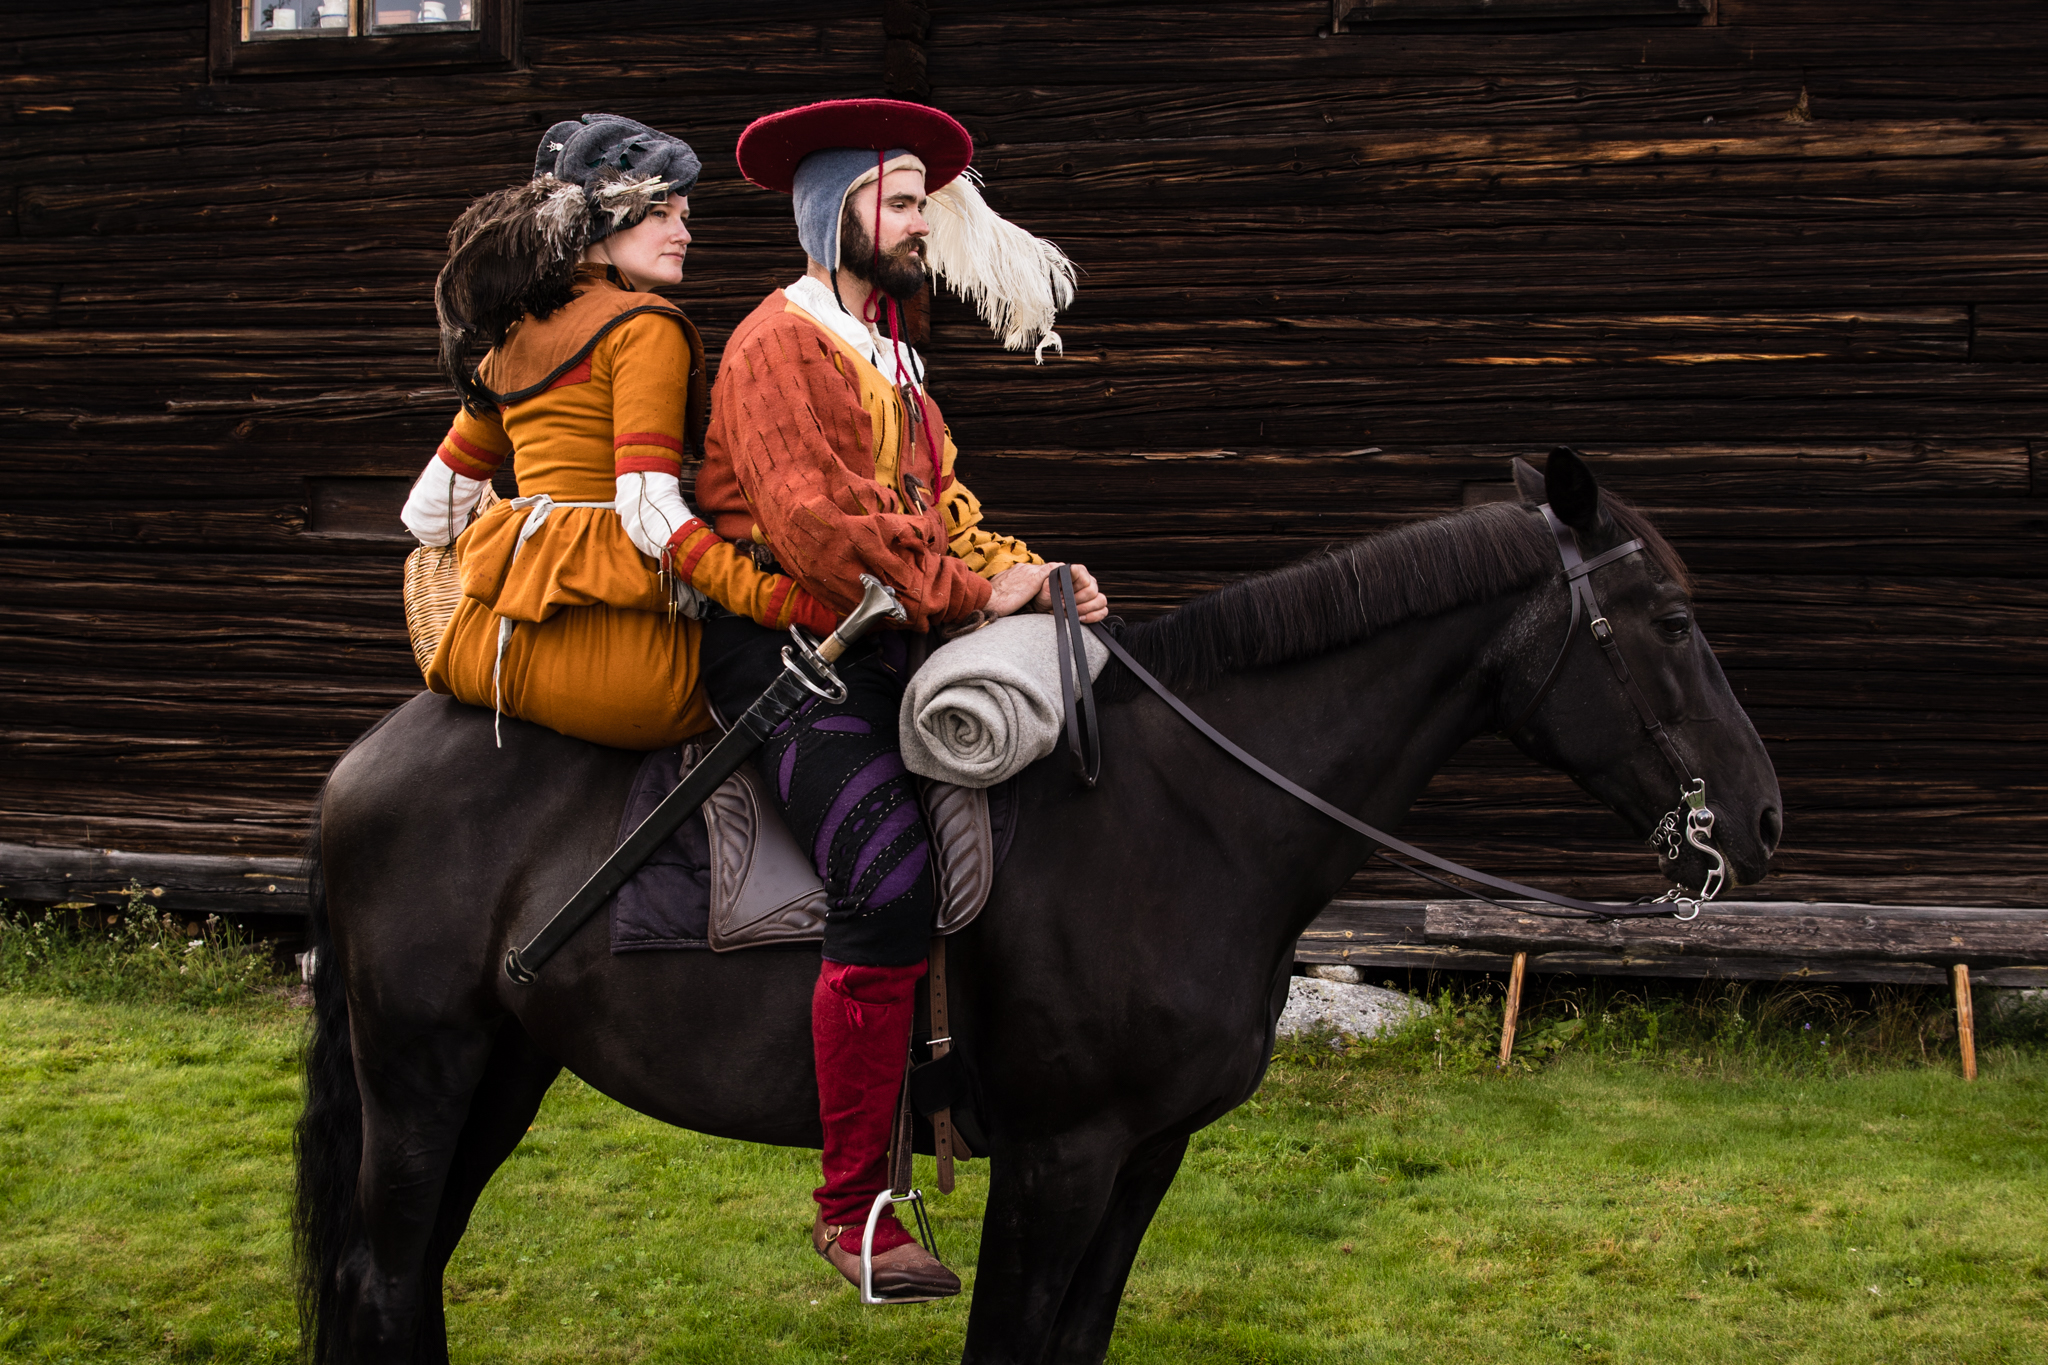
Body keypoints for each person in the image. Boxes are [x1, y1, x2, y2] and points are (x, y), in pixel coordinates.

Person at [695, 98, 1108, 1301]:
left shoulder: (897, 359)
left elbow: (941, 516)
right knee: (885, 885)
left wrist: (1038, 575)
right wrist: (986, 596)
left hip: (890, 636)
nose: (918, 223)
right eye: (896, 200)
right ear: (831, 215)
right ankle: (849, 1211)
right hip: (788, 655)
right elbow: (827, 540)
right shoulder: (777, 344)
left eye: (924, 202)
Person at [401, 113, 837, 749]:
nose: (684, 234)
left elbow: (429, 516)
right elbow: (646, 512)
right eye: (663, 214)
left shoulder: (515, 337)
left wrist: (527, 532)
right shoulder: (645, 326)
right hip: (629, 673)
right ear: (606, 220)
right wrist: (780, 602)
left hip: (486, 652)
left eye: (684, 217)